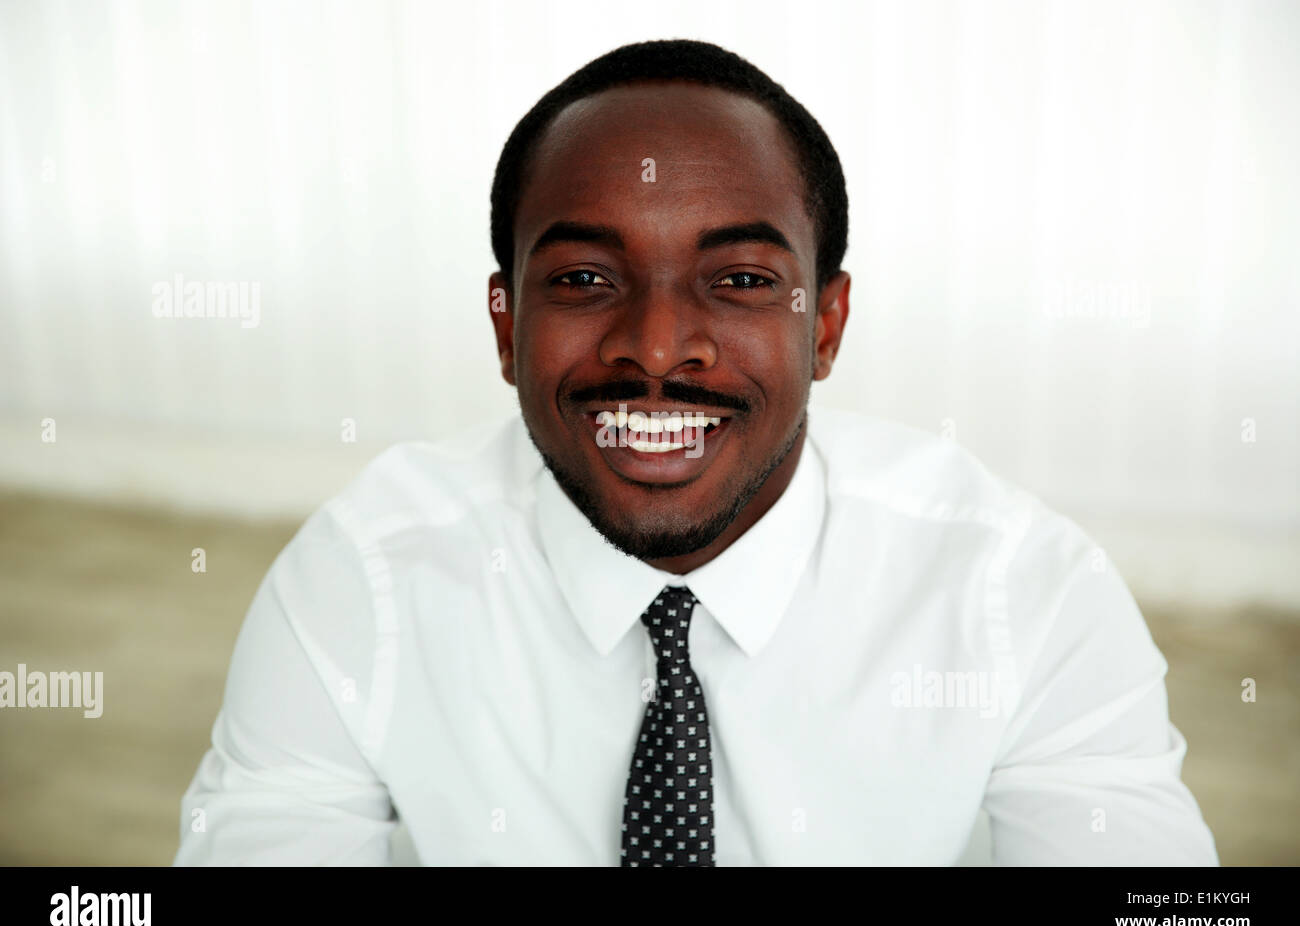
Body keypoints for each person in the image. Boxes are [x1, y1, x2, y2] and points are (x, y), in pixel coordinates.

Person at [174, 39, 1217, 866]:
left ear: (826, 323)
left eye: (742, 279)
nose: (657, 347)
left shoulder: (1019, 591)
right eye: (583, 279)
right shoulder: (363, 578)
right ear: (504, 325)